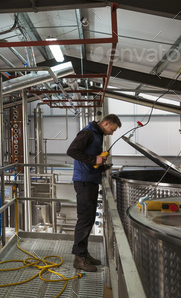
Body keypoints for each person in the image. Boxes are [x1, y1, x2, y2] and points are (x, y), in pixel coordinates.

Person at [67, 114, 121, 272]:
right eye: (112, 129)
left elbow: (90, 156)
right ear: (106, 123)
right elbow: (72, 151)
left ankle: (83, 253)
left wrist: (101, 165)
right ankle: (79, 258)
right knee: (85, 219)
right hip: (84, 182)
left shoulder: (96, 133)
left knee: (89, 219)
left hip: (90, 179)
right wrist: (93, 160)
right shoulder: (88, 132)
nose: (112, 133)